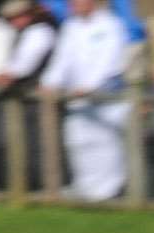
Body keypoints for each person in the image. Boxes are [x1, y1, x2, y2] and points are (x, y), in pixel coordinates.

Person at [45, 0, 132, 198]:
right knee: (78, 141)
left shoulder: (111, 24)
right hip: (76, 98)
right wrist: (50, 81)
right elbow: (62, 59)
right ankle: (84, 187)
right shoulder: (70, 26)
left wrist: (91, 86)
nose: (72, 4)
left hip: (105, 98)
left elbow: (110, 60)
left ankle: (109, 191)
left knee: (105, 143)